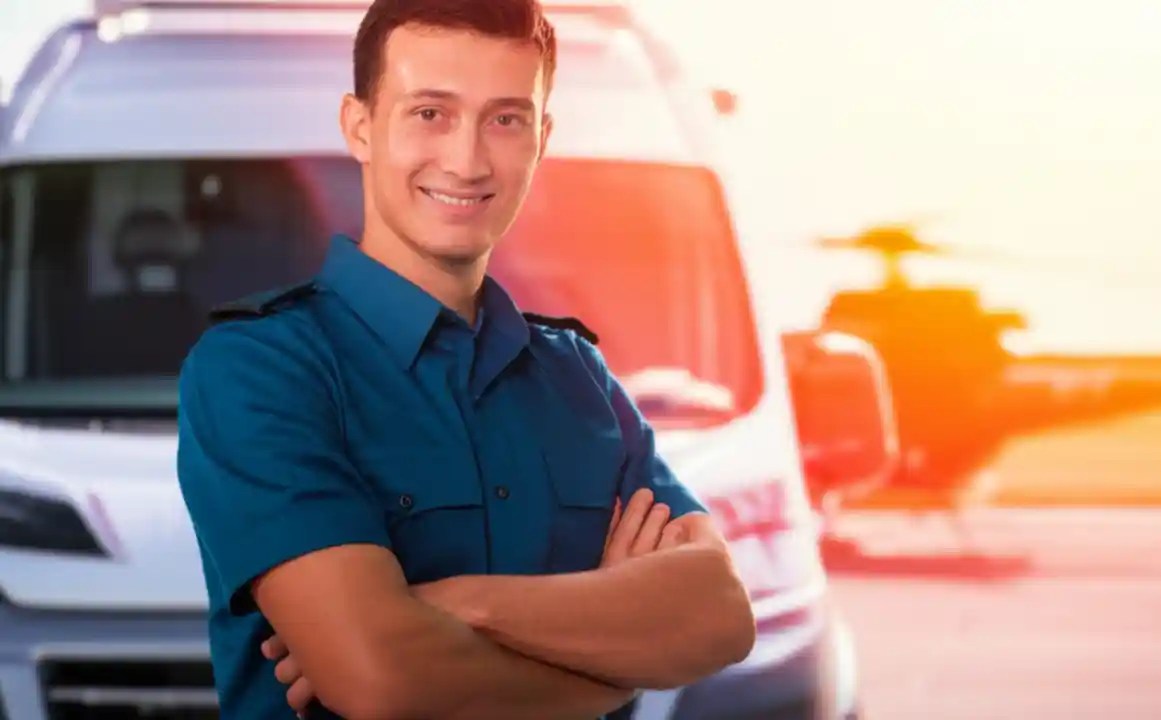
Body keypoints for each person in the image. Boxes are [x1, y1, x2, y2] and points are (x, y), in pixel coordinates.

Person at [174, 0, 756, 718]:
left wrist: (462, 606)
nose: (467, 159)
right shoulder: (261, 371)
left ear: (540, 138)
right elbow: (379, 680)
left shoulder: (581, 381)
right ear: (360, 126)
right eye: (430, 113)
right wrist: (617, 675)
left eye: (505, 119)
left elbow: (721, 616)